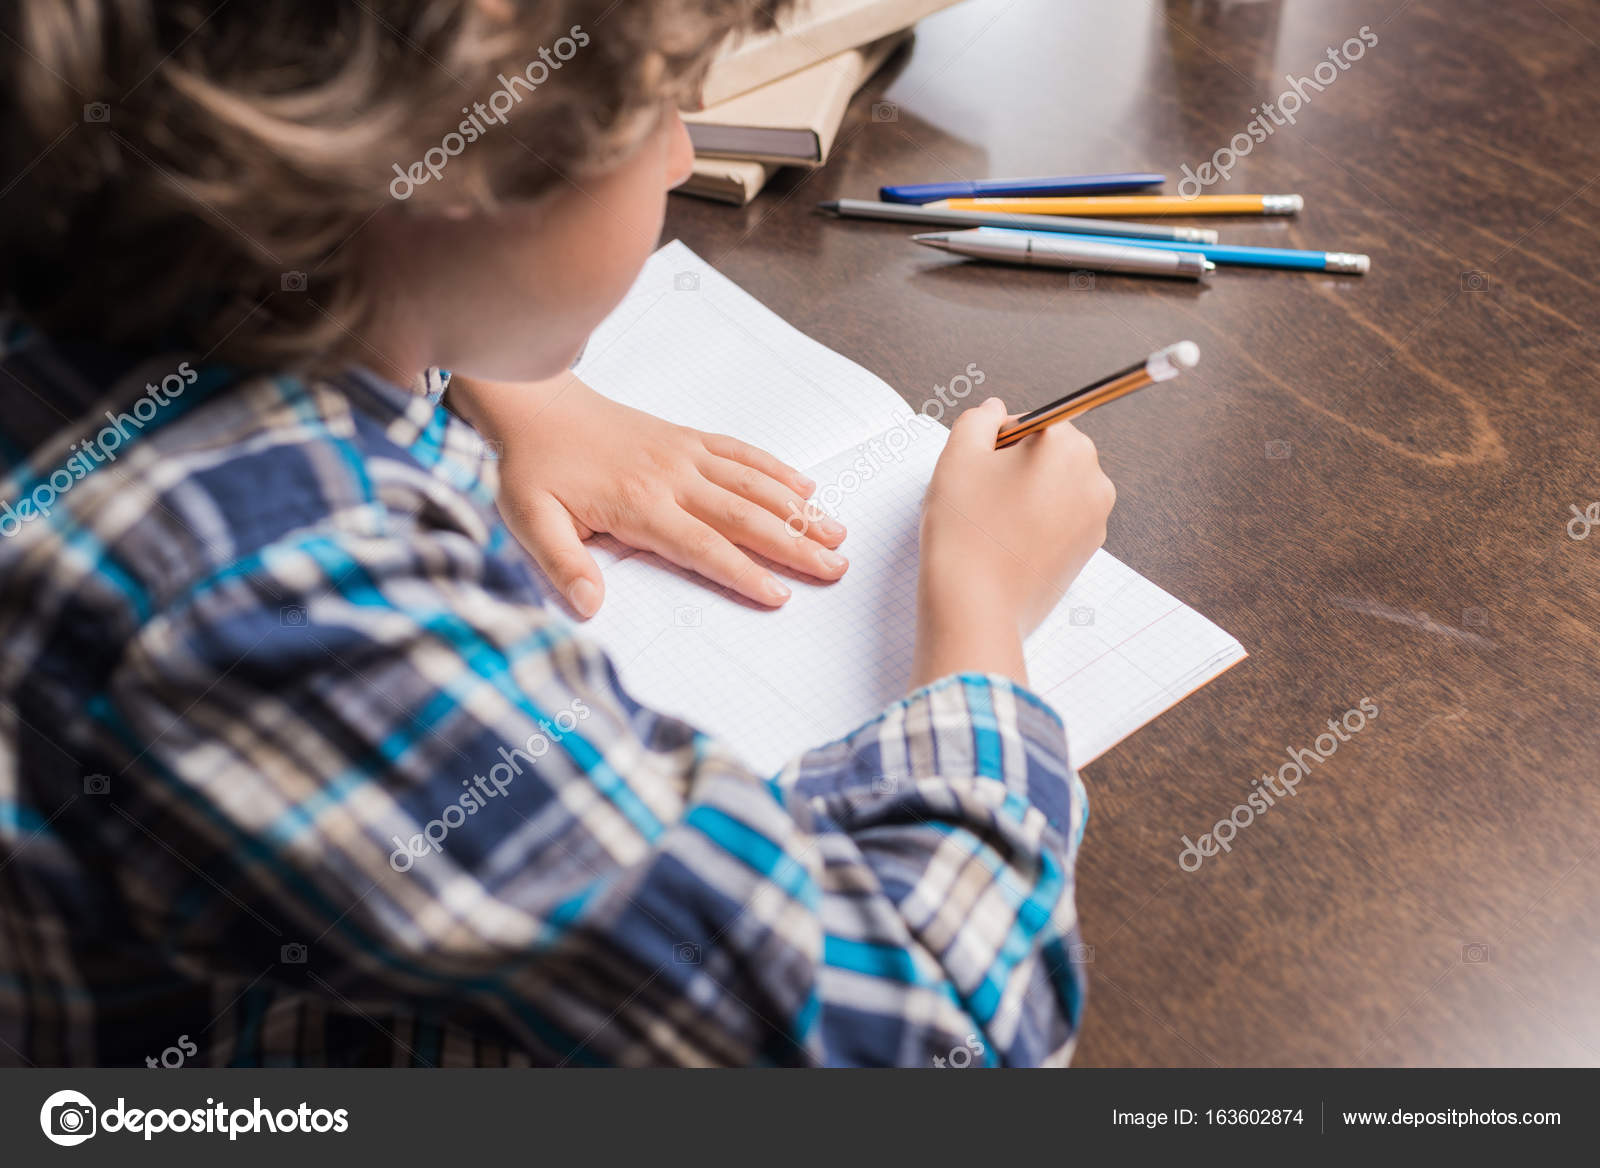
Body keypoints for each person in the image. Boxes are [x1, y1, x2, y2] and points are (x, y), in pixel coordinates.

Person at [0, 0, 1114, 1066]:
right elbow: (926, 1042)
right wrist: (978, 608)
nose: (681, 156)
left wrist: (488, 365)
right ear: (454, 157)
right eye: (660, 104)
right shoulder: (284, 602)